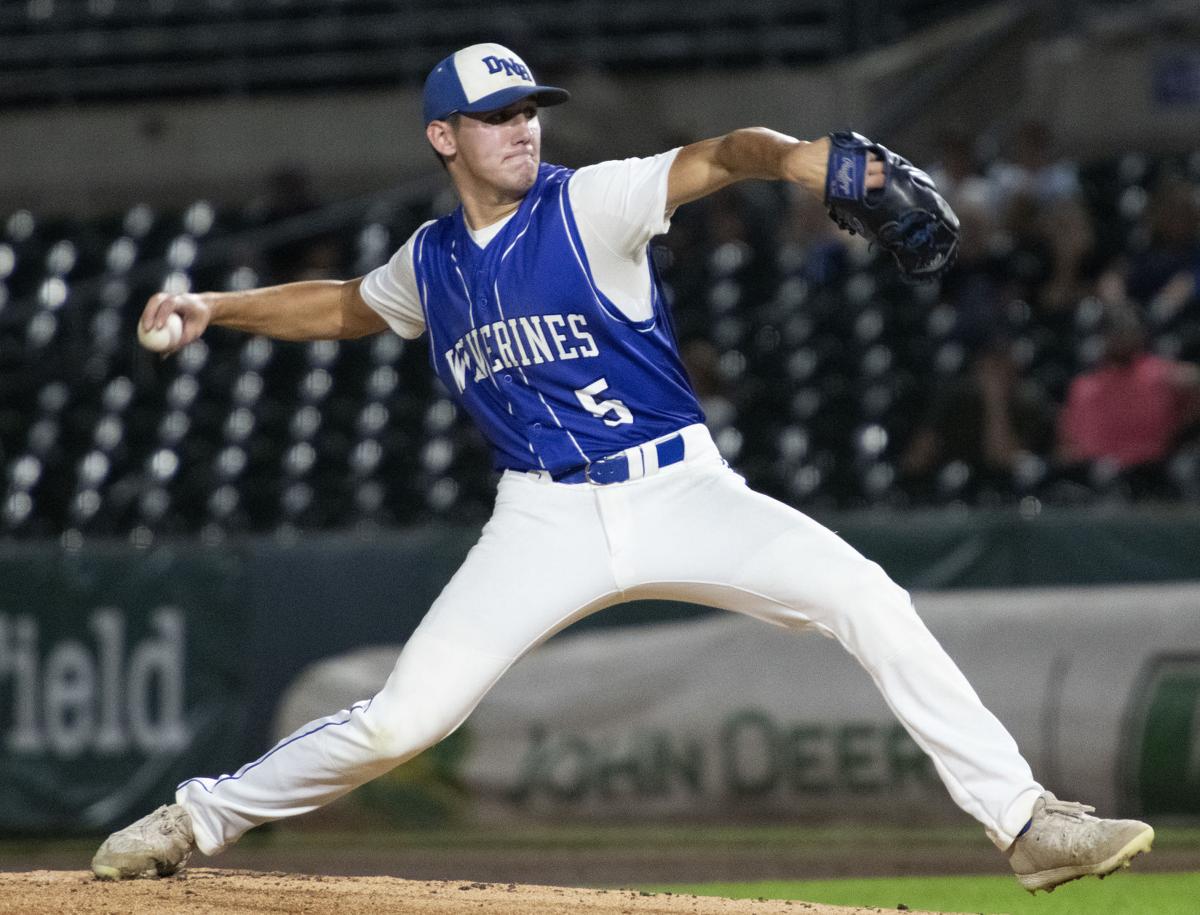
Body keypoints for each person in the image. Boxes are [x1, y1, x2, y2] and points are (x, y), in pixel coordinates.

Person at [92, 43, 1153, 894]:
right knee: (401, 721)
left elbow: (724, 155)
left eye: (528, 109)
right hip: (542, 519)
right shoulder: (432, 260)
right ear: (443, 136)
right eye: (495, 116)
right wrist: (215, 308)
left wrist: (801, 159)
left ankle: (1025, 823)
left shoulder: (592, 202)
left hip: (680, 490)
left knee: (868, 598)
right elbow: (342, 306)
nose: (522, 127)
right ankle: (197, 817)